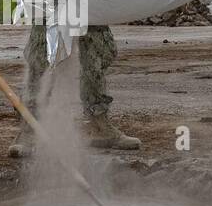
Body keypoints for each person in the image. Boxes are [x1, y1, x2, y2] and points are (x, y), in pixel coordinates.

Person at [8, 23, 141, 158]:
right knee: (42, 52)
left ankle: (99, 126)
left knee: (97, 50)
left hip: (89, 4)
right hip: (49, 3)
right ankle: (30, 129)